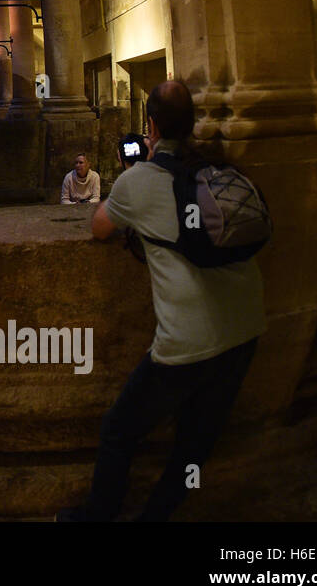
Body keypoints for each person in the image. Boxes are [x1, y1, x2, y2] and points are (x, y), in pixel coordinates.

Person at [59, 80, 265, 522]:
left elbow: (99, 227)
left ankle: (99, 517)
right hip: (247, 328)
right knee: (194, 444)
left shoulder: (140, 179)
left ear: (150, 125)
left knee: (118, 430)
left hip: (186, 346)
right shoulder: (217, 164)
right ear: (192, 123)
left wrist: (136, 174)